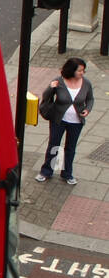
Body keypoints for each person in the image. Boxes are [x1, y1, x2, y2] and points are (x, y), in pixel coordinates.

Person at [37, 57, 94, 185]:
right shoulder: (59, 81)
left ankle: (67, 173)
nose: (82, 73)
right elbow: (46, 97)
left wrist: (88, 110)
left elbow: (90, 99)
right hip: (59, 120)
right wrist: (51, 88)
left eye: (83, 71)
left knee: (71, 148)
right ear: (72, 70)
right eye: (80, 71)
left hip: (76, 122)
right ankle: (47, 171)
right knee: (54, 145)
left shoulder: (86, 83)